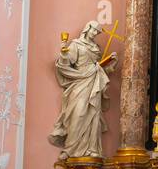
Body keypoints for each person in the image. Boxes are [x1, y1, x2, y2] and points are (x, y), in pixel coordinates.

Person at [49, 22, 115, 159]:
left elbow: (99, 70)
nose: (95, 34)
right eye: (94, 31)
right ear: (87, 28)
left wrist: (111, 65)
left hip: (94, 83)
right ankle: (70, 149)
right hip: (79, 83)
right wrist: (63, 54)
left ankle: (92, 149)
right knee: (78, 114)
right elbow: (66, 65)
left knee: (93, 115)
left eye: (98, 32)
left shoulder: (97, 48)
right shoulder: (76, 45)